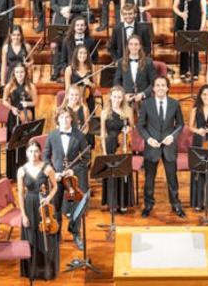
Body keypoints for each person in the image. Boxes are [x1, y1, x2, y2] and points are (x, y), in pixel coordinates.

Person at [137, 76, 186, 218]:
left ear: (167, 88)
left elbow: (180, 124)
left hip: (169, 146)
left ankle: (176, 204)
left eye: (163, 85)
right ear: (153, 88)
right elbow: (140, 125)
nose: (160, 88)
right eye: (157, 85)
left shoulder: (175, 103)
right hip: (152, 147)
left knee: (172, 178)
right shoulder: (146, 104)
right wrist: (148, 139)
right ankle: (148, 205)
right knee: (149, 178)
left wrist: (173, 136)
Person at [43, 108, 90, 249]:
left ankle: (76, 233)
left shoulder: (79, 135)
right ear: (58, 119)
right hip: (56, 177)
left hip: (72, 178)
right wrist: (52, 173)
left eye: (67, 117)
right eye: (62, 117)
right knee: (56, 206)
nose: (64, 120)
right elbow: (45, 157)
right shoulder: (52, 136)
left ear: (72, 119)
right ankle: (57, 234)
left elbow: (87, 157)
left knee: (76, 206)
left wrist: (72, 170)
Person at [17, 140, 60, 279]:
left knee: (45, 237)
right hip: (29, 205)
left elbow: (55, 187)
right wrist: (23, 215)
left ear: (40, 152)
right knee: (30, 236)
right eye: (30, 151)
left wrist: (48, 198)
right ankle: (32, 271)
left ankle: (47, 270)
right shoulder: (21, 171)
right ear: (26, 153)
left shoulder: (47, 168)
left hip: (44, 206)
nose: (33, 154)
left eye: (36, 151)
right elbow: (20, 193)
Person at [100, 86, 135, 212]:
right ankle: (112, 203)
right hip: (110, 145)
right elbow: (103, 134)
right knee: (112, 174)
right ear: (110, 97)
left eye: (119, 97)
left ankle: (123, 203)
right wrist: (104, 152)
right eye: (114, 96)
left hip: (123, 144)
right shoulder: (104, 113)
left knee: (122, 173)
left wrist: (129, 129)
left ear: (123, 98)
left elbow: (132, 127)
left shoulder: (128, 111)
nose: (117, 99)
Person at [3, 63, 37, 180]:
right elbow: (4, 101)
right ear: (14, 73)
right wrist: (11, 108)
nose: (19, 75)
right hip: (13, 116)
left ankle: (26, 171)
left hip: (27, 117)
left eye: (22, 72)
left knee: (25, 143)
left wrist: (27, 103)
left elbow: (35, 102)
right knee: (13, 143)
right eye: (17, 72)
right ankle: (12, 173)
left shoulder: (30, 86)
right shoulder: (9, 86)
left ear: (25, 73)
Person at [173, 0, 207, 81]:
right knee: (183, 48)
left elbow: (203, 12)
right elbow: (174, 7)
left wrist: (202, 26)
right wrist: (181, 14)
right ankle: (183, 71)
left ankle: (195, 71)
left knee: (194, 49)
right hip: (182, 23)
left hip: (195, 23)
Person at [113, 35, 157, 104]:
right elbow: (117, 81)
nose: (133, 47)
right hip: (126, 99)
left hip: (144, 99)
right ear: (128, 46)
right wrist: (123, 95)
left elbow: (154, 82)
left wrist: (143, 94)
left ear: (140, 46)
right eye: (131, 44)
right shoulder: (121, 62)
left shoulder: (148, 62)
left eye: (136, 44)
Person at [53, 15, 97, 82]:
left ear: (85, 27)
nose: (80, 27)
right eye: (77, 25)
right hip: (71, 74)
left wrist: (89, 69)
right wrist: (67, 70)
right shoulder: (67, 40)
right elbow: (63, 59)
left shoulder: (91, 41)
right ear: (73, 27)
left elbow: (95, 58)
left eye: (82, 25)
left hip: (86, 74)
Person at [64, 46, 97, 115]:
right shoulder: (69, 69)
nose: (83, 55)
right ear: (76, 54)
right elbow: (67, 89)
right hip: (73, 99)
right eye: (80, 53)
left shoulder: (92, 67)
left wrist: (89, 83)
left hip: (87, 99)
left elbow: (94, 88)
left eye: (85, 53)